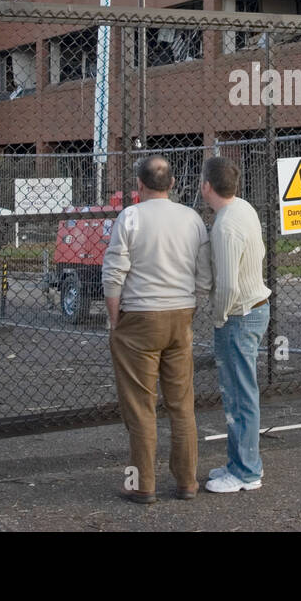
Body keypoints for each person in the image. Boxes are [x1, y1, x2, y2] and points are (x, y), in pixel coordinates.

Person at [103, 155, 211, 503]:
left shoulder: (130, 217)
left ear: (139, 184)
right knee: (182, 404)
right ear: (174, 183)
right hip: (180, 315)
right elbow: (204, 274)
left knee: (140, 405)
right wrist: (191, 306)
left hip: (139, 317)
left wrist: (114, 318)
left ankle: (142, 483)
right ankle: (187, 481)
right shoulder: (192, 218)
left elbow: (114, 272)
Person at [199, 156, 271, 493]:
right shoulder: (243, 208)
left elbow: (226, 285)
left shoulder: (225, 225)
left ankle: (245, 472)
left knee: (239, 395)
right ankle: (239, 463)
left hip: (239, 315)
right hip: (255, 307)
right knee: (241, 392)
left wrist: (218, 316)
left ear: (207, 186)